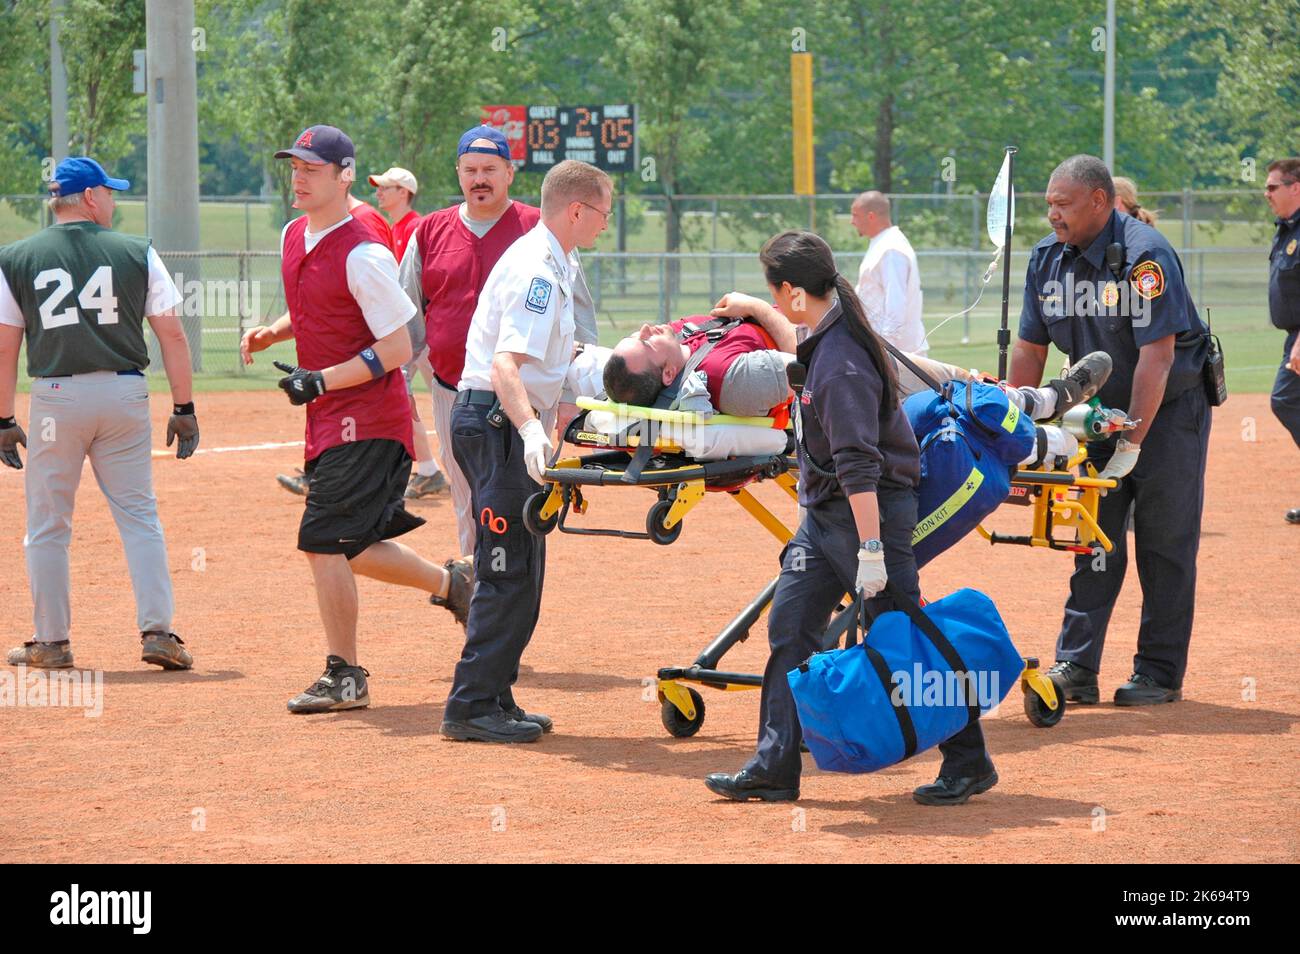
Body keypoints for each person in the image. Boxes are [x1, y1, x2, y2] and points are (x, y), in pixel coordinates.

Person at [703, 230, 999, 806]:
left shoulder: (840, 362)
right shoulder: (826, 331)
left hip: (868, 517)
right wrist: (756, 308)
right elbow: (797, 346)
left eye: (772, 291)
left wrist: (871, 552)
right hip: (825, 516)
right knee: (790, 628)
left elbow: (860, 466)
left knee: (905, 638)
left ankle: (970, 760)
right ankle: (774, 766)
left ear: (792, 290)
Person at [239, 124, 472, 713]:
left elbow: (399, 344)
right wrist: (275, 332)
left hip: (368, 416)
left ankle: (345, 676)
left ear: (344, 176)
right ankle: (454, 585)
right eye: (295, 166)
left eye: (313, 168)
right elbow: (320, 304)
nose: (299, 176)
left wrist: (321, 379)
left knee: (322, 542)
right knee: (355, 546)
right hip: (327, 418)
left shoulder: (364, 249)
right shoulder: (296, 234)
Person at [1009, 154, 1212, 707]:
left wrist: (1133, 442)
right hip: (1094, 415)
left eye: (1063, 204)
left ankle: (1158, 671)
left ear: (1099, 201)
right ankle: (1077, 665)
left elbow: (1158, 359)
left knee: (1164, 541)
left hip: (1168, 414)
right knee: (1094, 538)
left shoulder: (1146, 257)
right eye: (1048, 203)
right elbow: (1029, 348)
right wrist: (1014, 433)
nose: (1052, 214)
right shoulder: (1046, 260)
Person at [0, 156, 198, 671]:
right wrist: (184, 407)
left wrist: (2, 418)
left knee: (47, 524)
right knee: (139, 516)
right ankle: (158, 633)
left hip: (54, 398)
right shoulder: (137, 251)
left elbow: (5, 348)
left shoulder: (17, 256)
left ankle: (51, 642)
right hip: (124, 395)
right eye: (109, 192)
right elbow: (171, 333)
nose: (113, 200)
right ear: (89, 197)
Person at [441, 159, 611, 743]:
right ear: (577, 210)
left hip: (508, 420)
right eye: (604, 213)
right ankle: (469, 707)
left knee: (526, 567)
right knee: (505, 567)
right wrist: (531, 432)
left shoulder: (560, 261)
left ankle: (495, 695)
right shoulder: (537, 269)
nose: (605, 225)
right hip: (494, 420)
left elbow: (554, 365)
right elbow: (505, 364)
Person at [398, 124, 598, 555]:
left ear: (509, 172)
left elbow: (579, 317)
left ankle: (510, 589)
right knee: (469, 502)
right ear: (458, 173)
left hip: (530, 397)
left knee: (524, 500)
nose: (479, 179)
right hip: (458, 393)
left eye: (490, 168)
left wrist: (571, 393)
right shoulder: (429, 232)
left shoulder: (540, 229)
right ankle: (478, 592)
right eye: (470, 170)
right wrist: (398, 380)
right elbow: (407, 317)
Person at [1263, 158, 1300, 524]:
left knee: (1285, 399)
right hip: (1294, 335)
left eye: (1273, 186)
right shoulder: (1286, 229)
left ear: (1296, 187)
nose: (1266, 193)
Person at [850, 191, 927, 355]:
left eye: (855, 215)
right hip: (883, 348)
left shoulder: (891, 249)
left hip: (900, 353)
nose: (852, 222)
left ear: (871, 216)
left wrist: (887, 351)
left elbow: (896, 302)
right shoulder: (882, 243)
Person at [369, 166, 421, 262]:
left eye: (384, 188)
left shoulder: (414, 226)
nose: (378, 193)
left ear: (403, 192)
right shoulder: (394, 228)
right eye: (378, 188)